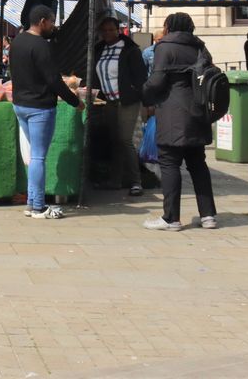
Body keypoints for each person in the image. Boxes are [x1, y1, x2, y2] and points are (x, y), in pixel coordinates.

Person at [141, 13, 219, 231]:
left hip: (172, 114)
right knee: (198, 164)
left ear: (168, 27)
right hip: (198, 113)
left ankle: (171, 218)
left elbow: (156, 81)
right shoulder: (200, 47)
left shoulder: (165, 47)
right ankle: (208, 216)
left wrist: (144, 93)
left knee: (169, 163)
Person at [10, 5, 83, 220]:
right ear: (42, 21)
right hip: (39, 107)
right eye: (51, 21)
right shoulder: (42, 46)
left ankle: (32, 202)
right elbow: (53, 80)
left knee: (34, 156)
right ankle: (39, 207)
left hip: (20, 104)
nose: (53, 25)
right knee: (39, 157)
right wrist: (74, 101)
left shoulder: (17, 41)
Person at [89, 16, 146, 196]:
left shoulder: (130, 50)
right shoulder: (99, 49)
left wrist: (139, 96)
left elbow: (141, 77)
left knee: (125, 139)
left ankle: (136, 181)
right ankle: (115, 180)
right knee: (114, 140)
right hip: (109, 101)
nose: (108, 33)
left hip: (127, 100)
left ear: (118, 30)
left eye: (111, 30)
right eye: (104, 30)